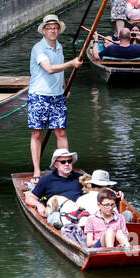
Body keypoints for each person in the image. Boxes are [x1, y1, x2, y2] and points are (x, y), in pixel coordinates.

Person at [27, 15, 83, 179]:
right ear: (44, 30)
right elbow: (50, 69)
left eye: (55, 28)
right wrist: (72, 63)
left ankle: (64, 167)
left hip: (57, 96)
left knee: (61, 132)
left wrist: (64, 87)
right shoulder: (39, 48)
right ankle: (37, 170)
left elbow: (60, 71)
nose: (52, 30)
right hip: (39, 95)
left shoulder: (59, 47)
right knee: (37, 133)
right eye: (49, 28)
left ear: (58, 30)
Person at [23, 148, 86, 217]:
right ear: (55, 164)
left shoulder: (81, 178)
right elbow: (29, 198)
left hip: (82, 210)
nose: (67, 164)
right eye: (63, 162)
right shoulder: (46, 180)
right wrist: (39, 205)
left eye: (69, 161)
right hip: (60, 215)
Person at [80, 189, 136, 253]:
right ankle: (110, 253)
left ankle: (128, 251)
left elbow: (125, 237)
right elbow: (89, 243)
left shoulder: (120, 217)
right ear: (99, 205)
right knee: (109, 232)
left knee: (119, 232)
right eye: (106, 205)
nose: (110, 208)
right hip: (98, 249)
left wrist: (114, 240)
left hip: (116, 246)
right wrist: (107, 238)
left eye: (112, 205)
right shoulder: (91, 219)